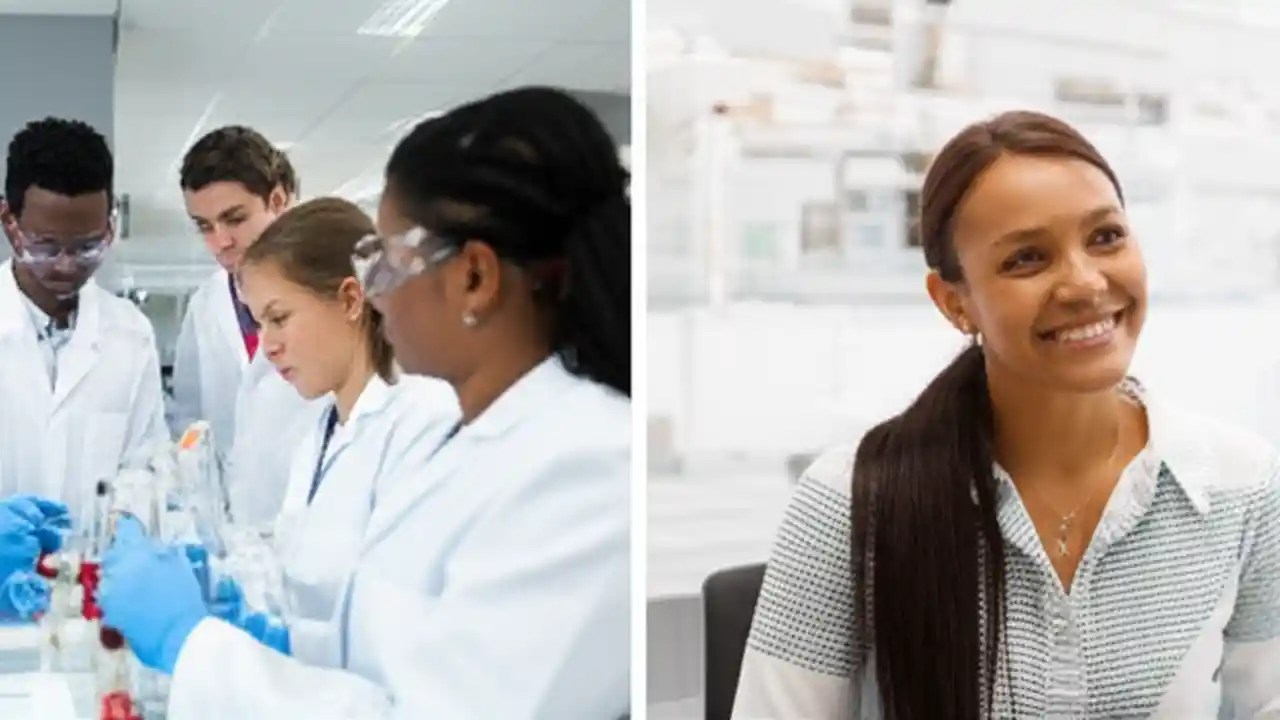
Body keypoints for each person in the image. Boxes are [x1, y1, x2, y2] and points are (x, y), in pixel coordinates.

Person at [99, 86, 632, 719]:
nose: (373, 293)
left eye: (389, 261)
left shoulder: (579, 469)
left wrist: (192, 645)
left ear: (475, 278)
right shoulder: (475, 441)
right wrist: (283, 639)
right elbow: (404, 652)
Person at [732, 110, 1280, 719]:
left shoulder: (1244, 489)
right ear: (954, 303)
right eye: (1027, 259)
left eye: (1105, 237)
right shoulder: (851, 501)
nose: (1085, 284)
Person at [219, 196, 459, 654]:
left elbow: (405, 641)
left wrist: (293, 643)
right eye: (259, 324)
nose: (266, 347)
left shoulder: (422, 424)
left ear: (351, 299)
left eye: (279, 318)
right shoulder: (324, 431)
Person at [0, 117, 168, 527]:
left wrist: (131, 523)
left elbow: (145, 465)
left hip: (92, 576)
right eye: (46, 245)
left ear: (110, 226)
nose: (66, 264)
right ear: (10, 223)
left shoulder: (131, 335)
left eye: (88, 246)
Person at [171, 126, 325, 529]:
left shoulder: (333, 294)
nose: (219, 241)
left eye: (234, 219)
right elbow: (190, 425)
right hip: (234, 530)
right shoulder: (205, 307)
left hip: (316, 524)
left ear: (277, 200)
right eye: (203, 226)